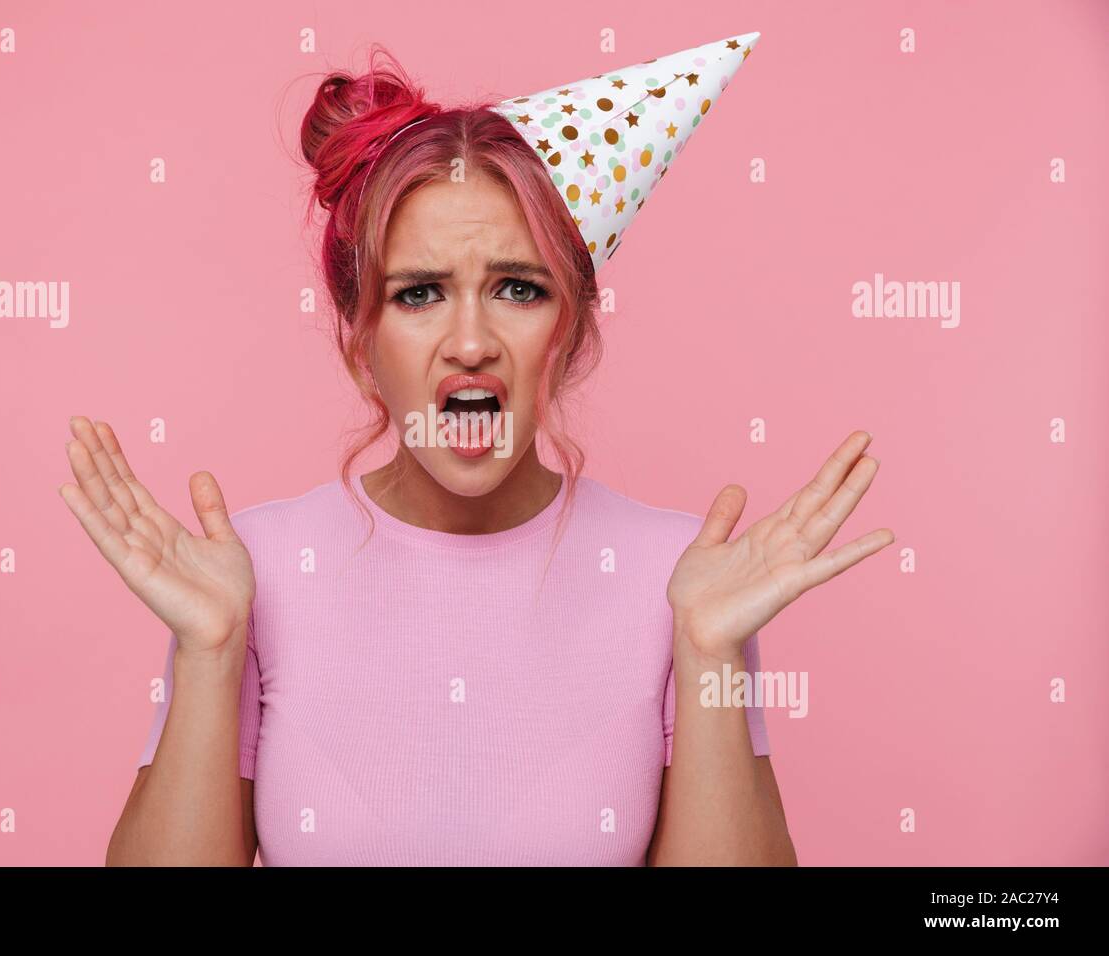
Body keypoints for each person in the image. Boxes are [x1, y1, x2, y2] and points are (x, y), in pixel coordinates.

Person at [59, 35, 893, 866]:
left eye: (518, 289)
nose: (470, 343)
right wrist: (211, 653)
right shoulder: (250, 575)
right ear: (362, 336)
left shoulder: (684, 578)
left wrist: (709, 650)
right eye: (419, 293)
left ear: (571, 330)